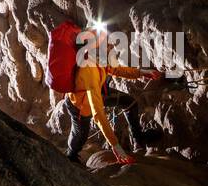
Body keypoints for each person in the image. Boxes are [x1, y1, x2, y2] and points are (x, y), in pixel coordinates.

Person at [61, 26, 162, 165]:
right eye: (106, 43)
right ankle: (71, 156)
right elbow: (98, 114)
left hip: (98, 93)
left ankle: (139, 140)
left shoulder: (100, 59)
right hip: (80, 106)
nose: (111, 45)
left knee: (130, 103)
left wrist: (142, 73)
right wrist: (116, 146)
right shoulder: (88, 71)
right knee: (81, 135)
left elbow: (116, 69)